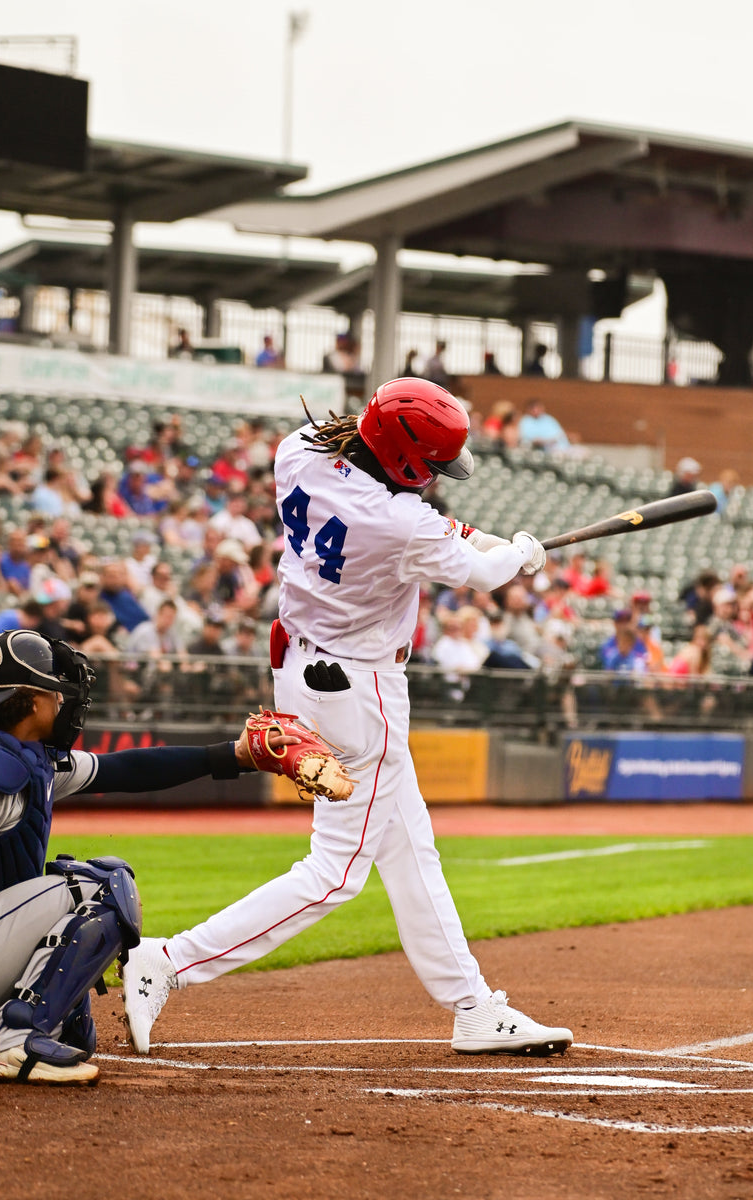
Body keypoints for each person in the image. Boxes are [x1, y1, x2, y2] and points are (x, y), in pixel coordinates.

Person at [122, 376, 573, 1059]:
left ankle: (473, 1007)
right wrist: (521, 553)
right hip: (359, 692)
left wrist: (499, 544)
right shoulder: (397, 523)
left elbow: (445, 534)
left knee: (410, 847)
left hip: (304, 665)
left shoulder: (298, 451)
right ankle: (170, 960)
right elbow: (481, 574)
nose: (438, 479)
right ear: (406, 460)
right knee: (336, 870)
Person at [0, 628, 318, 1084]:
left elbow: (127, 768)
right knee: (99, 886)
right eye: (54, 692)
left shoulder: (29, 760)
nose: (64, 701)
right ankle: (11, 1039)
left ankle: (16, 1030)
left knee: (76, 1032)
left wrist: (235, 756)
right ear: (27, 700)